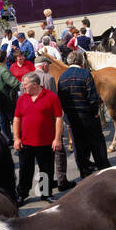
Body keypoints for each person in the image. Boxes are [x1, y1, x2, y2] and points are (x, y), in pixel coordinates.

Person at [13, 71, 64, 206]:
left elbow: (59, 118)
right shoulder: (22, 99)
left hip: (46, 142)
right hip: (26, 143)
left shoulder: (51, 97)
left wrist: (57, 139)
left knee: (46, 169)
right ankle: (22, 194)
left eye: (26, 85)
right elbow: (17, 119)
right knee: (25, 170)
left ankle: (46, 194)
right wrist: (16, 138)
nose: (23, 87)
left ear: (35, 84)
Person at [57, 52, 110, 178]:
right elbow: (92, 96)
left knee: (79, 144)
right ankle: (103, 168)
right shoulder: (85, 74)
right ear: (81, 62)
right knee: (97, 142)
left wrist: (68, 117)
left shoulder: (62, 77)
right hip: (87, 115)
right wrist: (95, 113)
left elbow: (61, 99)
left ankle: (84, 170)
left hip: (72, 117)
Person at [33, 55, 74, 191]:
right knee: (58, 152)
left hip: (34, 124)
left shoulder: (26, 78)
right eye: (48, 66)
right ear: (44, 65)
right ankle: (62, 181)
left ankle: (45, 186)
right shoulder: (48, 78)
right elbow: (53, 101)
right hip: (49, 122)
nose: (49, 68)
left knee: (42, 156)